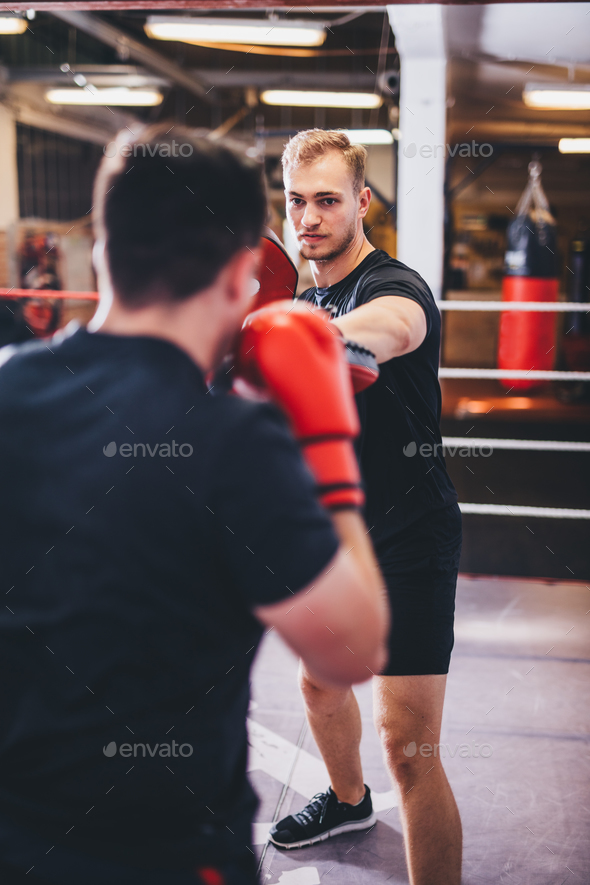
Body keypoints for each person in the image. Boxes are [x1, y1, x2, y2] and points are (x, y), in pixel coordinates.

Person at [0, 124, 389, 885]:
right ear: (243, 271)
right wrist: (324, 442)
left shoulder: (5, 389)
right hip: (168, 854)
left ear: (102, 247)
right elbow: (351, 647)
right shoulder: (232, 440)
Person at [269, 129, 463, 885]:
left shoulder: (394, 286)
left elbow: (392, 329)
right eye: (296, 201)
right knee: (320, 684)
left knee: (409, 751)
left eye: (327, 200)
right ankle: (348, 801)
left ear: (362, 202)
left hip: (412, 533)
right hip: (334, 533)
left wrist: (312, 337)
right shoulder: (299, 294)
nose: (310, 217)